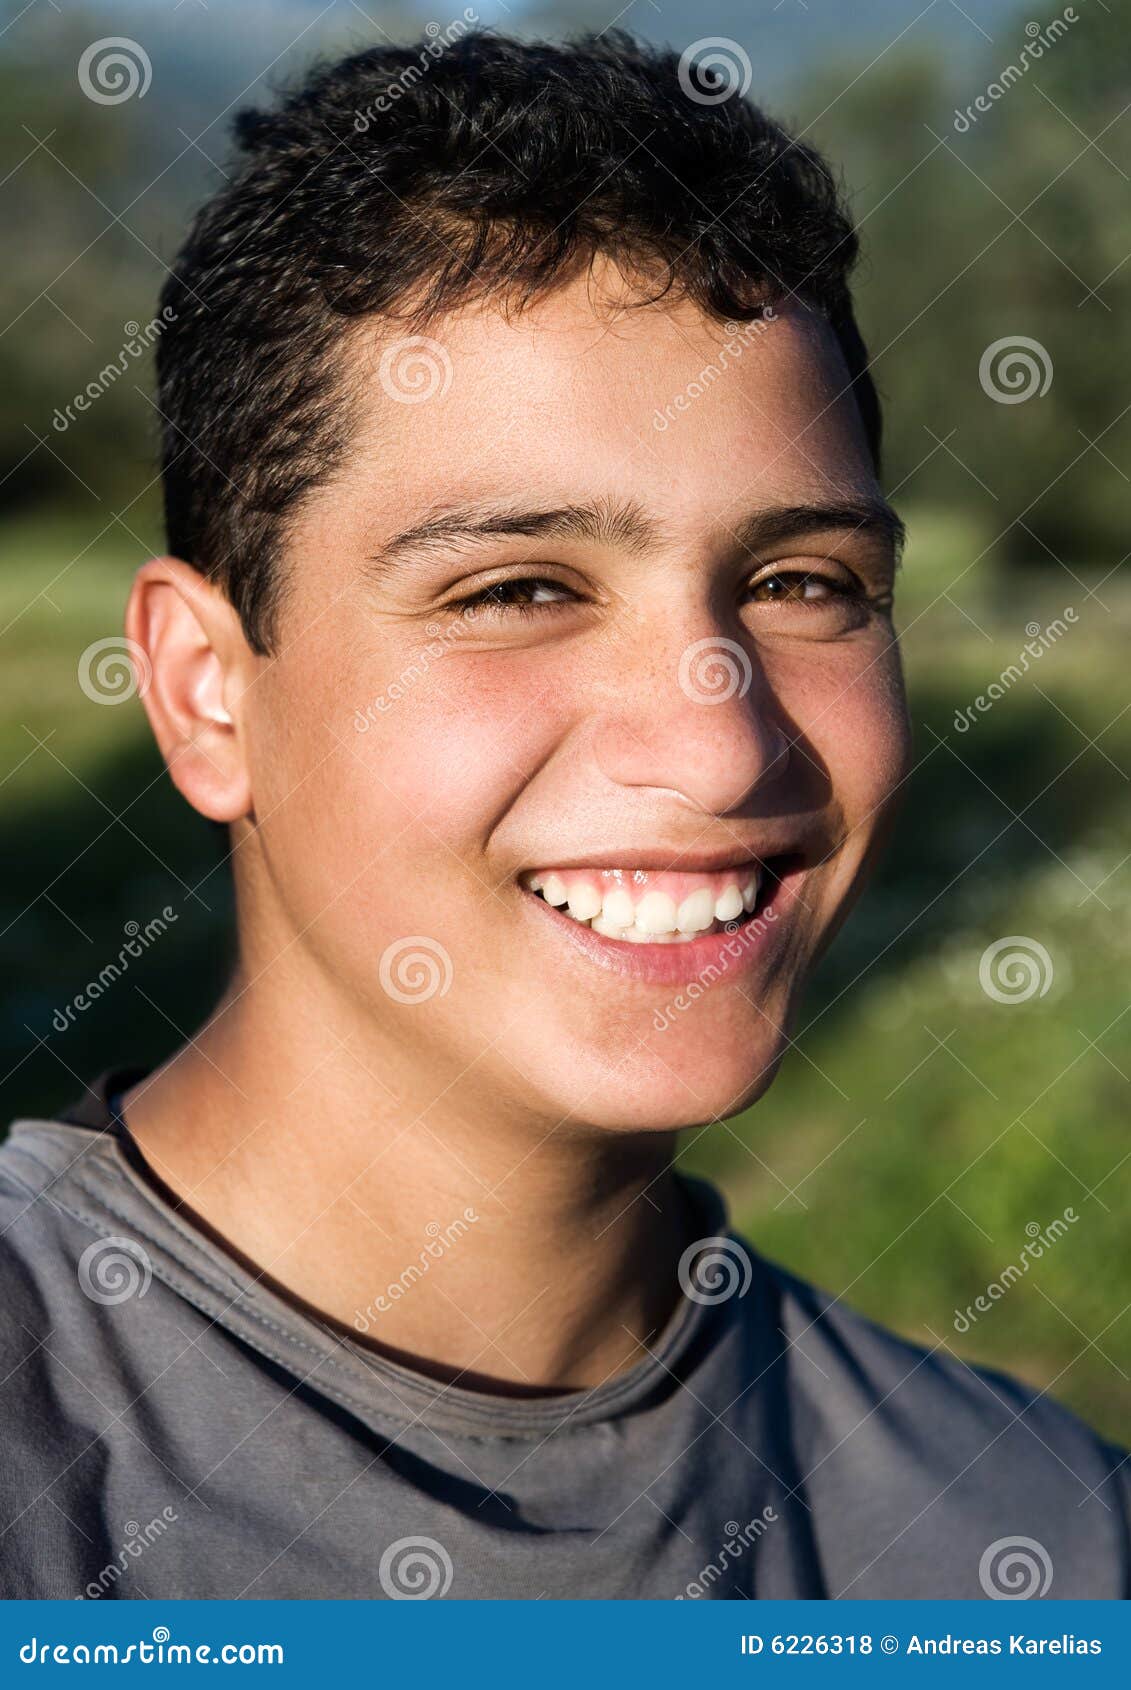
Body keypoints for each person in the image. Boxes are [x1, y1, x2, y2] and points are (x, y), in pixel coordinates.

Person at [1, 30, 1125, 1601]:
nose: (719, 744)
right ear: (206, 691)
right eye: (519, 587)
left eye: (804, 584)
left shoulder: (1040, 1547)